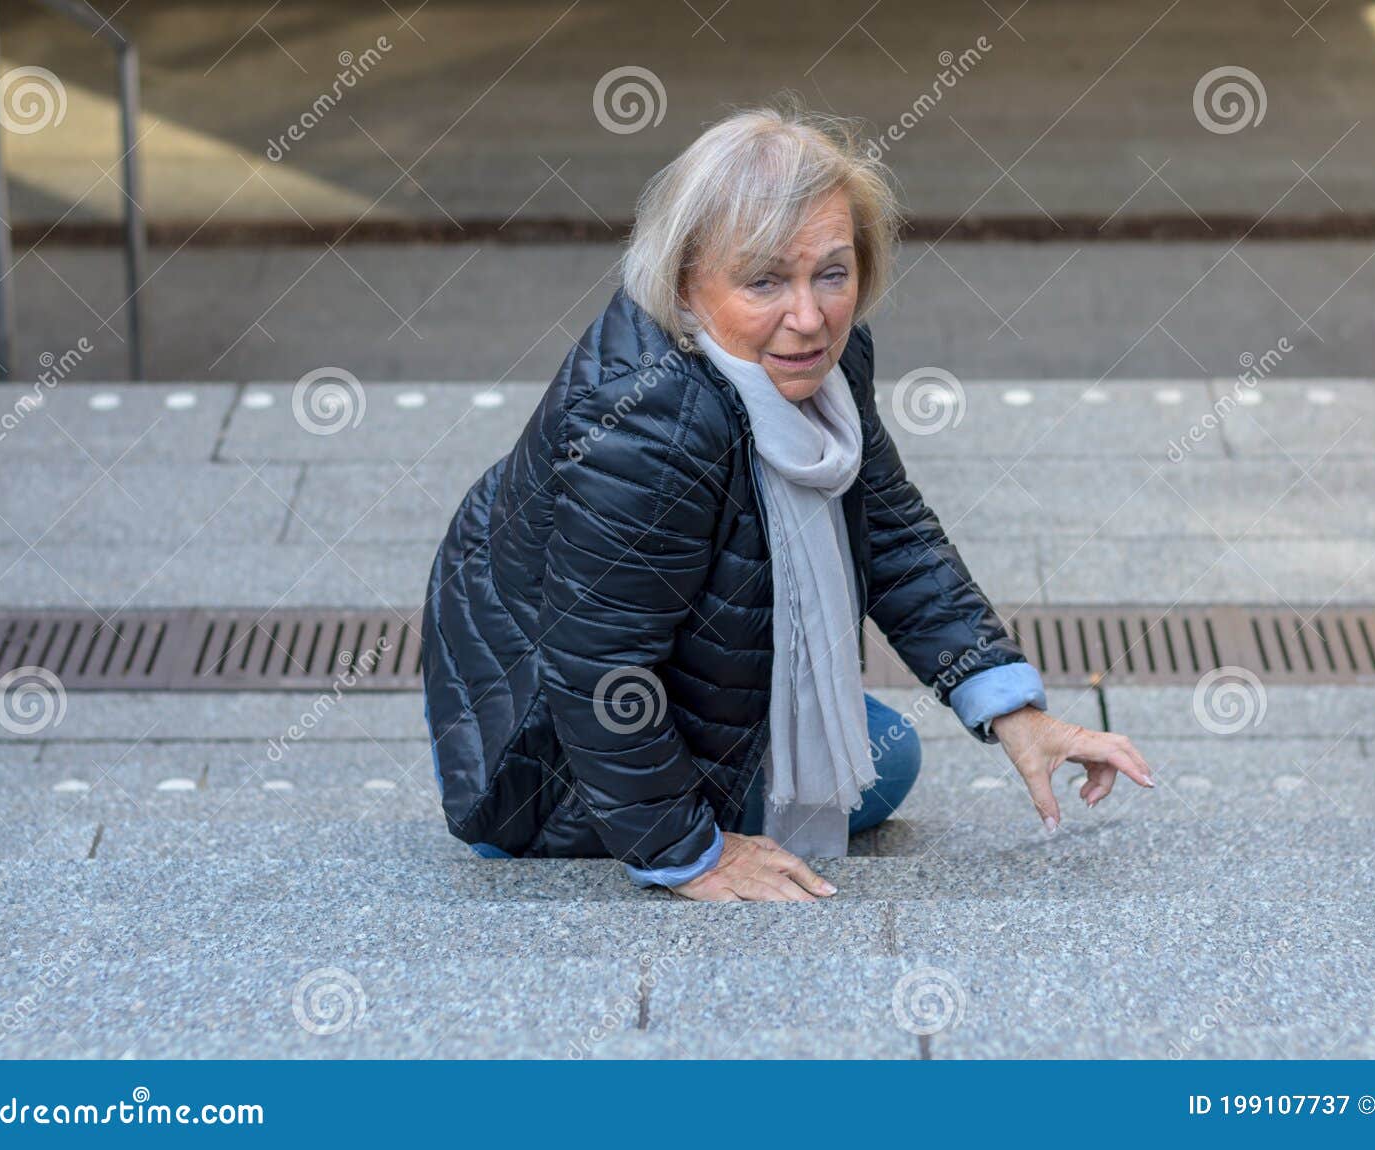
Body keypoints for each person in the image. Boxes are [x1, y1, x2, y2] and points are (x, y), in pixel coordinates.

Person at [421, 100, 1154, 902]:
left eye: (831, 274)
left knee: (882, 752)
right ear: (684, 278)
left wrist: (1013, 709)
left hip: (646, 675)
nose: (809, 319)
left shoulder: (828, 362)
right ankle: (569, 838)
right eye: (765, 280)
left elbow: (893, 534)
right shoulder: (650, 424)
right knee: (885, 761)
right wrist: (689, 853)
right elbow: (598, 669)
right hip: (539, 759)